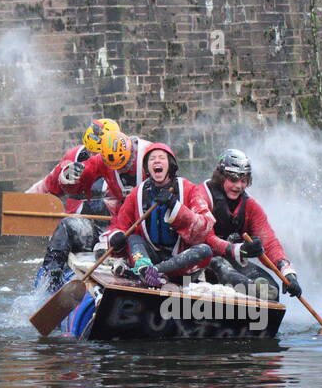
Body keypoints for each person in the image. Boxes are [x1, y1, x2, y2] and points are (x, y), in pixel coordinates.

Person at [96, 142, 216, 287]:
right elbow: (119, 225)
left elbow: (205, 226)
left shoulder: (189, 189)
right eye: (152, 159)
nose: (157, 161)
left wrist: (175, 205)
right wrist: (116, 236)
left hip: (179, 264)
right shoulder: (137, 193)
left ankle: (153, 272)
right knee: (133, 238)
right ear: (147, 167)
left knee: (205, 250)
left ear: (170, 164)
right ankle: (144, 268)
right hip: (149, 257)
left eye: (161, 158)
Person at [29, 120, 125, 294]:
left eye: (96, 153)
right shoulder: (73, 157)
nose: (92, 157)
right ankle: (51, 277)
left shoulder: (120, 161)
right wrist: (27, 199)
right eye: (89, 151)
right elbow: (50, 184)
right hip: (81, 228)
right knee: (67, 224)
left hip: (111, 230)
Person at [200, 149, 301, 300]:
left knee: (270, 291)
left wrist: (287, 272)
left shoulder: (250, 206)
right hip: (201, 259)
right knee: (231, 275)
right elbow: (204, 236)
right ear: (221, 177)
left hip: (231, 260)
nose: (239, 186)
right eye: (233, 179)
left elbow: (269, 242)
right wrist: (239, 249)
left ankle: (254, 319)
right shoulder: (201, 195)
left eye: (243, 180)